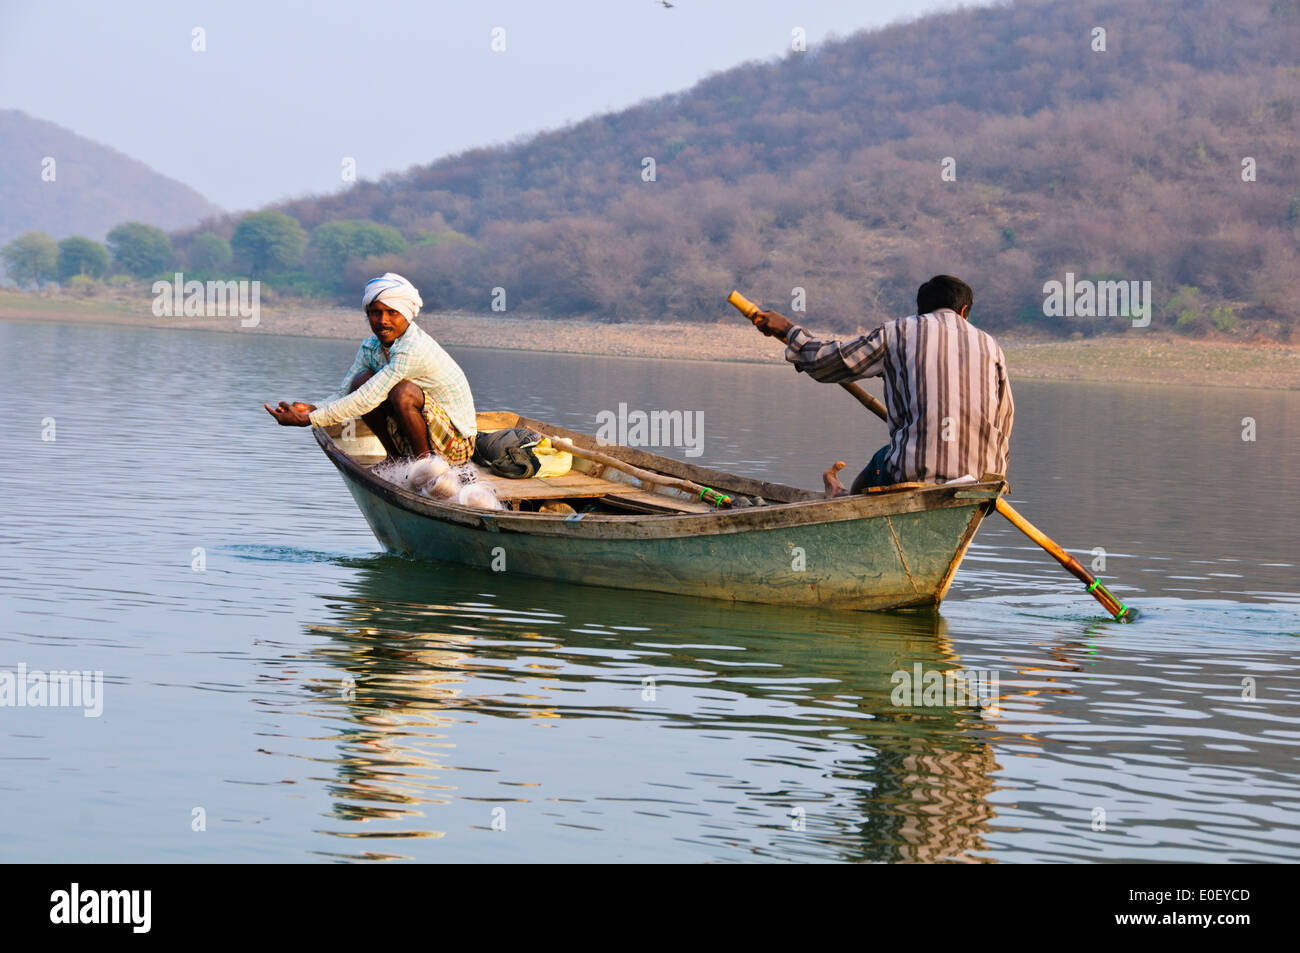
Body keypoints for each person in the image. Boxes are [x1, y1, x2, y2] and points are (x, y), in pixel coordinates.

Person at [752, 275, 1013, 493]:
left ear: (920, 311)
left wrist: (787, 329)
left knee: (880, 462)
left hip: (915, 476)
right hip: (984, 479)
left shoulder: (899, 332)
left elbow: (830, 361)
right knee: (889, 458)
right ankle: (844, 499)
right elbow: (1005, 418)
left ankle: (844, 503)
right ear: (964, 311)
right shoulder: (991, 346)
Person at [264, 273, 478, 463]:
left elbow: (367, 398)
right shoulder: (370, 347)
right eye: (375, 312)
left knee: (403, 393)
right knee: (360, 381)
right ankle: (395, 459)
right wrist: (313, 408)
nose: (382, 320)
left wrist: (308, 420)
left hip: (456, 445)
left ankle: (427, 470)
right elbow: (347, 392)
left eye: (392, 312)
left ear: (406, 315)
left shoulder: (412, 348)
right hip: (421, 432)